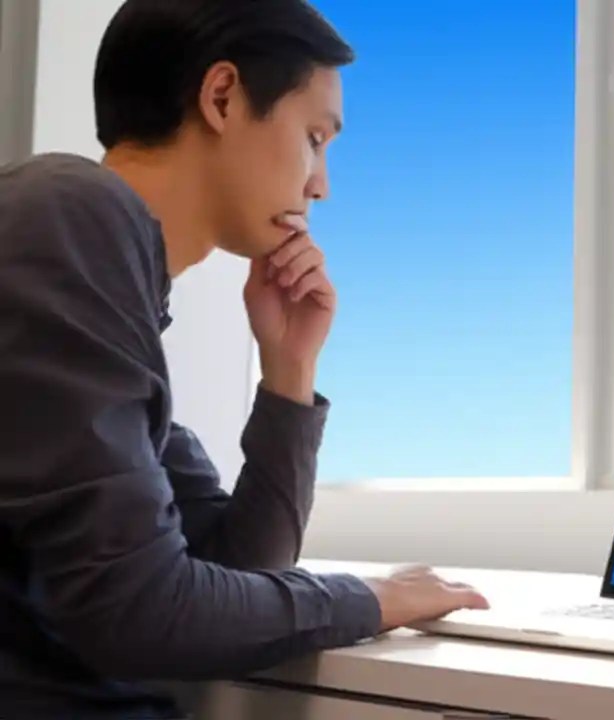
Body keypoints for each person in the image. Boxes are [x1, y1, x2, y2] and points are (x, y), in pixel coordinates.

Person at [0, 1, 489, 717]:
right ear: (222, 96)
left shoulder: (103, 279)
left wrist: (288, 375)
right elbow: (141, 612)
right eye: (314, 137)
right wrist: (372, 598)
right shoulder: (68, 216)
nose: (321, 184)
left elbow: (232, 573)